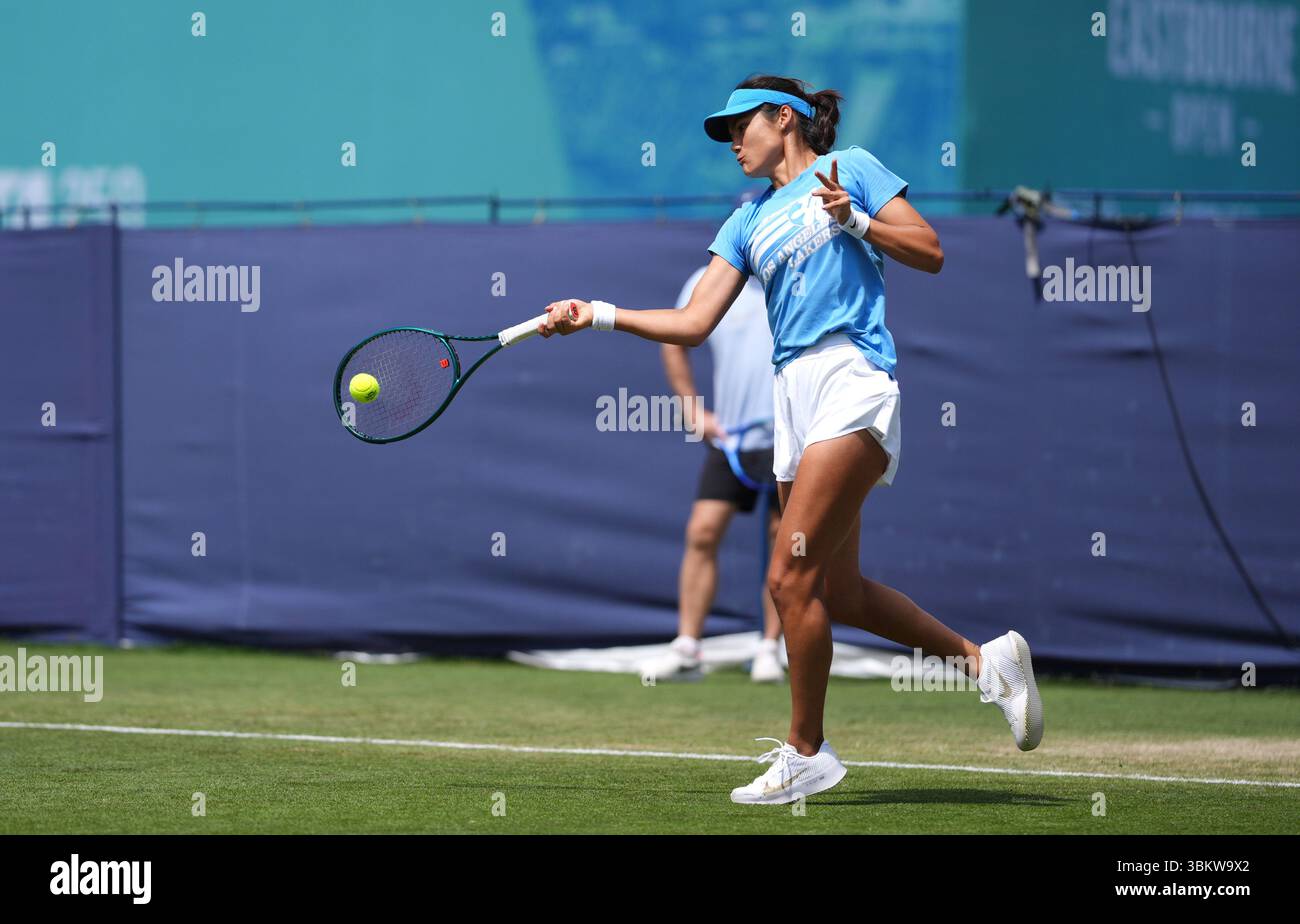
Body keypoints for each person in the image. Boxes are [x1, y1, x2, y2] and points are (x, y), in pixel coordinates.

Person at [537, 74, 1043, 804]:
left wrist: (858, 223)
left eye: (741, 125)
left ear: (785, 118)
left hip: (850, 378)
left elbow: (930, 251)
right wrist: (597, 312)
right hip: (791, 401)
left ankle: (809, 751)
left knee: (787, 578)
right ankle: (985, 663)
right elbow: (691, 322)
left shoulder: (852, 171)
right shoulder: (745, 222)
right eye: (726, 134)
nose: (733, 141)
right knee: (839, 592)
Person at [643, 224, 784, 684]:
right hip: (732, 439)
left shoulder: (793, 274)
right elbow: (673, 336)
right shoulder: (711, 280)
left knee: (787, 542)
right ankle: (687, 648)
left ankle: (770, 648)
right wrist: (691, 408)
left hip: (791, 434)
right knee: (702, 532)